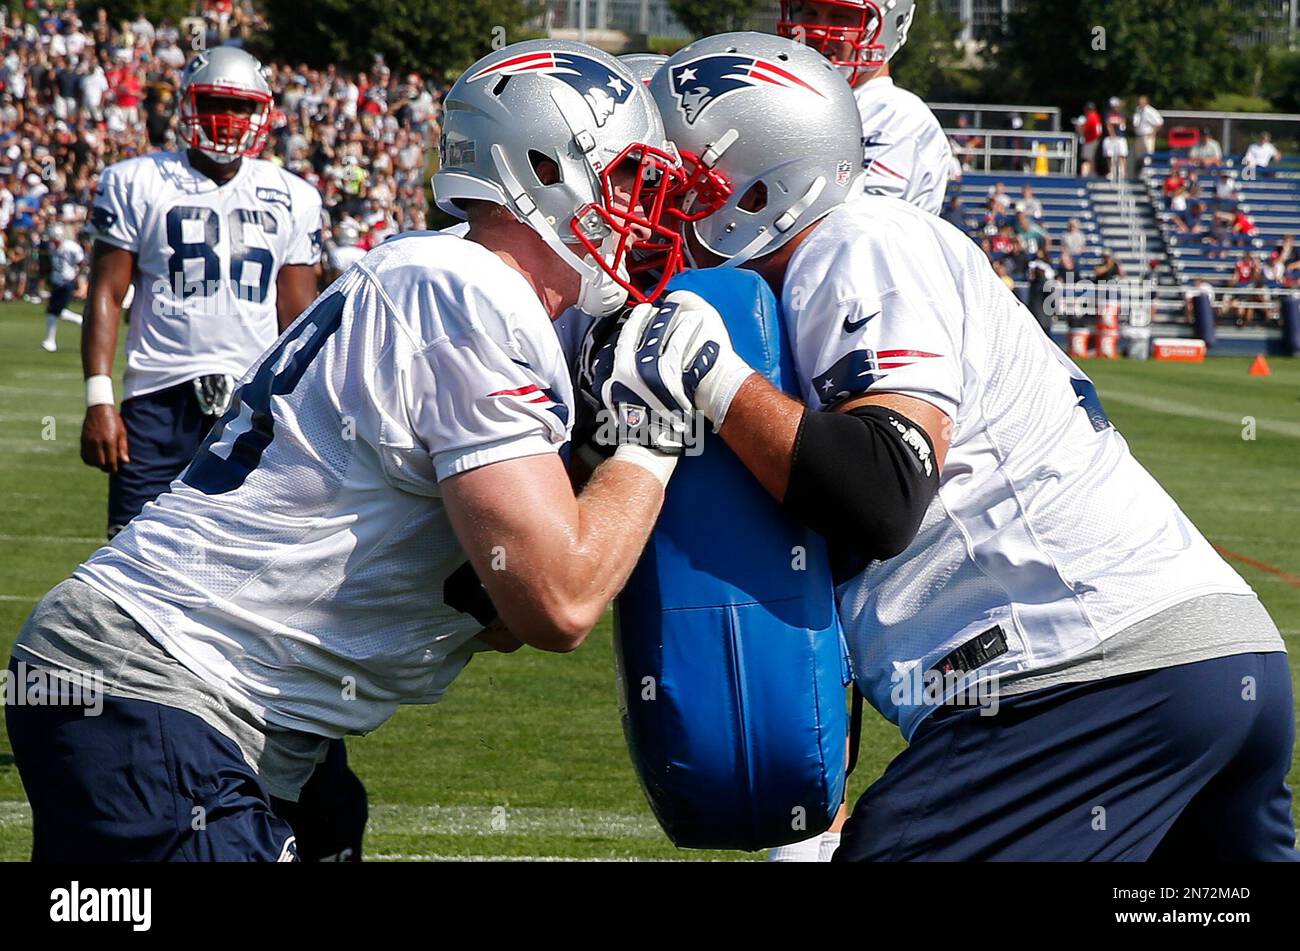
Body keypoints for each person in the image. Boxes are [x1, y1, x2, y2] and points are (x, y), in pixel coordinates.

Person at [7, 39, 689, 862]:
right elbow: (557, 602)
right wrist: (653, 437)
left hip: (213, 700)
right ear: (542, 168)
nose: (646, 206)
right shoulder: (468, 293)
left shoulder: (442, 279)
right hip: (169, 684)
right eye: (625, 176)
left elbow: (501, 607)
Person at [635, 31, 1296, 861]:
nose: (650, 208)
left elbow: (881, 491)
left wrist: (709, 376)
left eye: (674, 182)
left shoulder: (857, 240)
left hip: (1079, 678)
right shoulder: (810, 282)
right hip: (1201, 667)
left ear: (761, 187)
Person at [777, 0, 949, 214]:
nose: (817, 28)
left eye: (840, 17)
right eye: (809, 12)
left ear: (884, 27)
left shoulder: (894, 114)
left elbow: (856, 223)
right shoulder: (785, 101)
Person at [40, 222, 84, 352]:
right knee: (53, 312)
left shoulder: (71, 247)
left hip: (66, 282)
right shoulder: (51, 246)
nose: (55, 242)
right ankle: (50, 340)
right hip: (56, 282)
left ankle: (50, 341)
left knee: (54, 312)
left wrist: (77, 278)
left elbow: (81, 262)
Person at [1132, 94, 1163, 166]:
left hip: (1147, 135)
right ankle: (1140, 171)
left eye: (1142, 101)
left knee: (1148, 154)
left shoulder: (1150, 111)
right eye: (1139, 101)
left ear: (1146, 101)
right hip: (1139, 135)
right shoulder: (1138, 110)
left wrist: (1153, 132)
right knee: (1139, 155)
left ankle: (1148, 171)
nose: (1140, 102)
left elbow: (1159, 122)